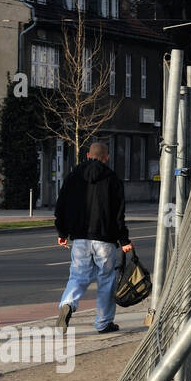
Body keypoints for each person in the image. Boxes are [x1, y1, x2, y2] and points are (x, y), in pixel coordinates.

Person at [55, 141, 134, 333]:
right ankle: (103, 322)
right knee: (106, 279)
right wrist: (124, 240)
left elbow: (62, 206)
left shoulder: (73, 177)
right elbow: (118, 214)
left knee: (78, 276)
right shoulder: (113, 179)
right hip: (105, 239)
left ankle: (67, 303)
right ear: (107, 157)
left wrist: (62, 232)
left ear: (88, 156)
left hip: (80, 239)